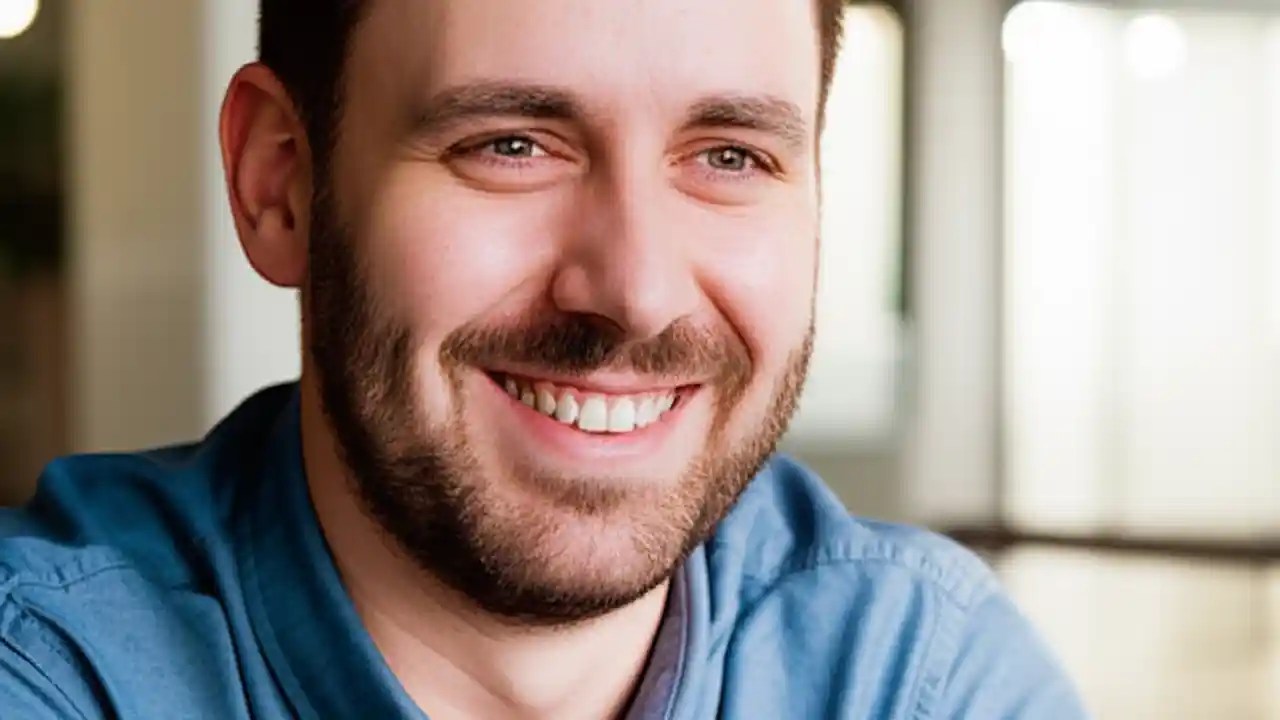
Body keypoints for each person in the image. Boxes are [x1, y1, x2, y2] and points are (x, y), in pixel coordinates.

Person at [0, 1, 1089, 717]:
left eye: (727, 155)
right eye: (511, 144)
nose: (634, 291)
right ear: (281, 183)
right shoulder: (50, 667)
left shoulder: (917, 677)